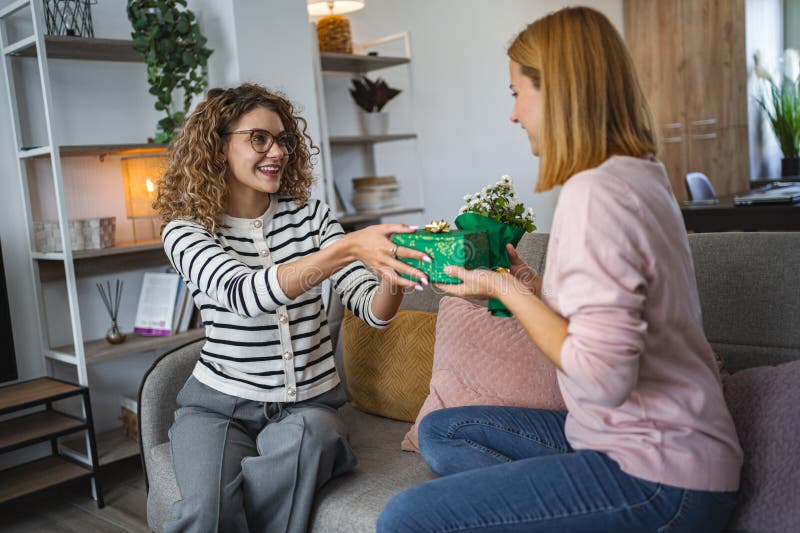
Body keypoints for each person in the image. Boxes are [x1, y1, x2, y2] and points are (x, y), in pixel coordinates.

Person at [377, 7, 742, 532]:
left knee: (405, 518)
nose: (514, 114)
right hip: (635, 441)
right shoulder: (638, 174)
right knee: (443, 430)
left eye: (515, 93)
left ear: (561, 91)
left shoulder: (595, 194)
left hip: (661, 477)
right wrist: (530, 289)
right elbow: (617, 313)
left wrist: (506, 287)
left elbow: (603, 376)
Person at [155, 83, 429, 533]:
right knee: (206, 513)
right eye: (259, 138)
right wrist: (346, 249)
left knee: (315, 437)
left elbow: (371, 309)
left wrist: (393, 276)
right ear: (219, 146)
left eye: (283, 140)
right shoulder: (185, 229)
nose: (277, 152)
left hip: (307, 406)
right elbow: (244, 293)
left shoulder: (311, 215)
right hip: (219, 405)